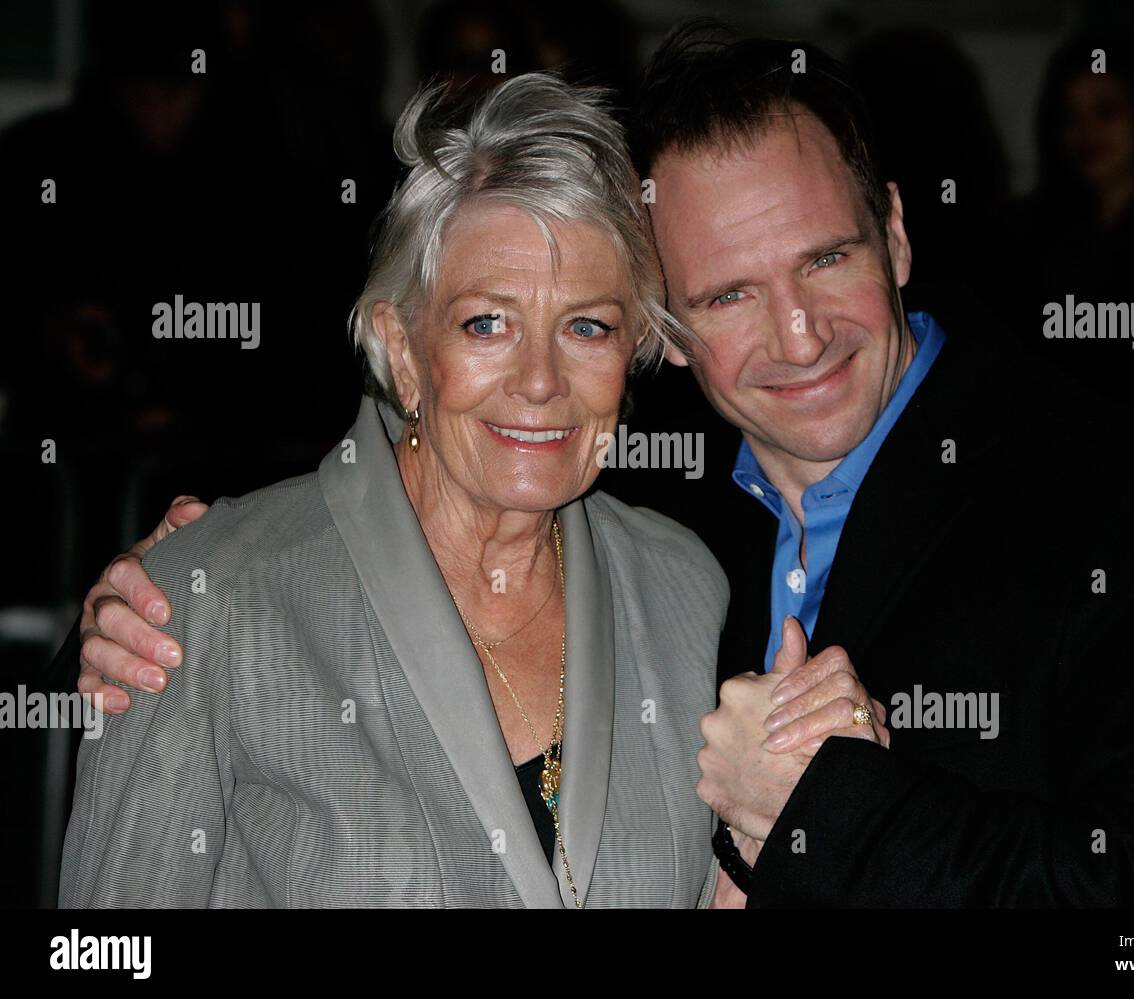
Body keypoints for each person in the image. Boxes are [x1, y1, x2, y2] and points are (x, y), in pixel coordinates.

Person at [67, 22, 1134, 908]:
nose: (797, 335)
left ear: (898, 233)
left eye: (825, 261)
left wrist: (837, 812)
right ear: (675, 331)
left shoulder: (1127, 501)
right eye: (729, 294)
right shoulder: (670, 512)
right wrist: (213, 573)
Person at [57, 71, 866, 909]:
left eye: (587, 326)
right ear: (401, 348)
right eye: (488, 323)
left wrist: (792, 813)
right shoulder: (214, 595)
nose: (541, 380)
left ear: (633, 358)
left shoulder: (681, 582)